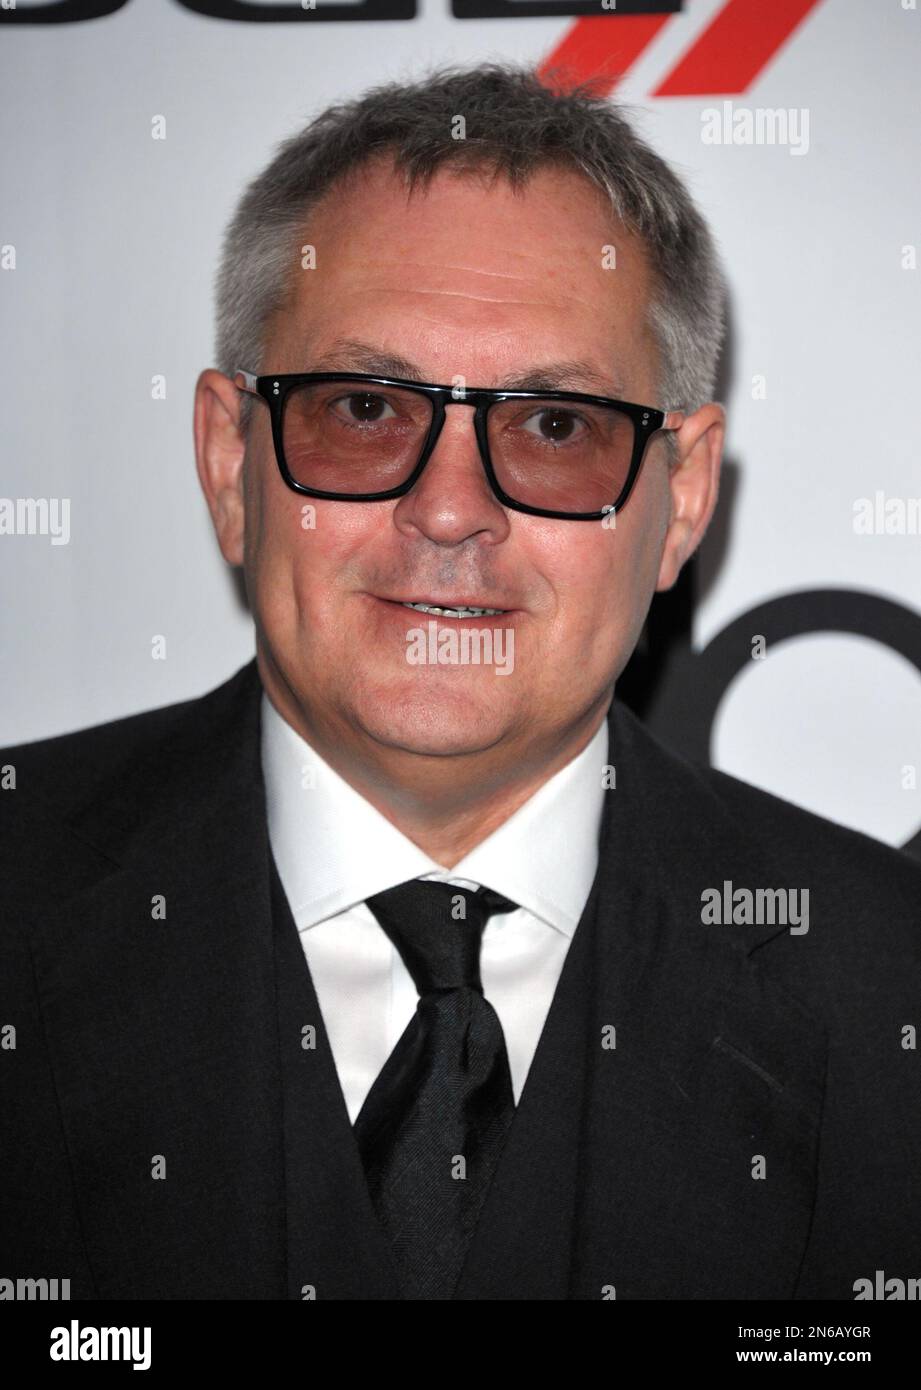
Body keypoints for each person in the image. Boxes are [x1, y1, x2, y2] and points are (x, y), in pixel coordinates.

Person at [2, 61, 919, 1302]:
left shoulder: (889, 981)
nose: (449, 509)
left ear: (682, 497)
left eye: (554, 426)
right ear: (231, 463)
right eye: (367, 407)